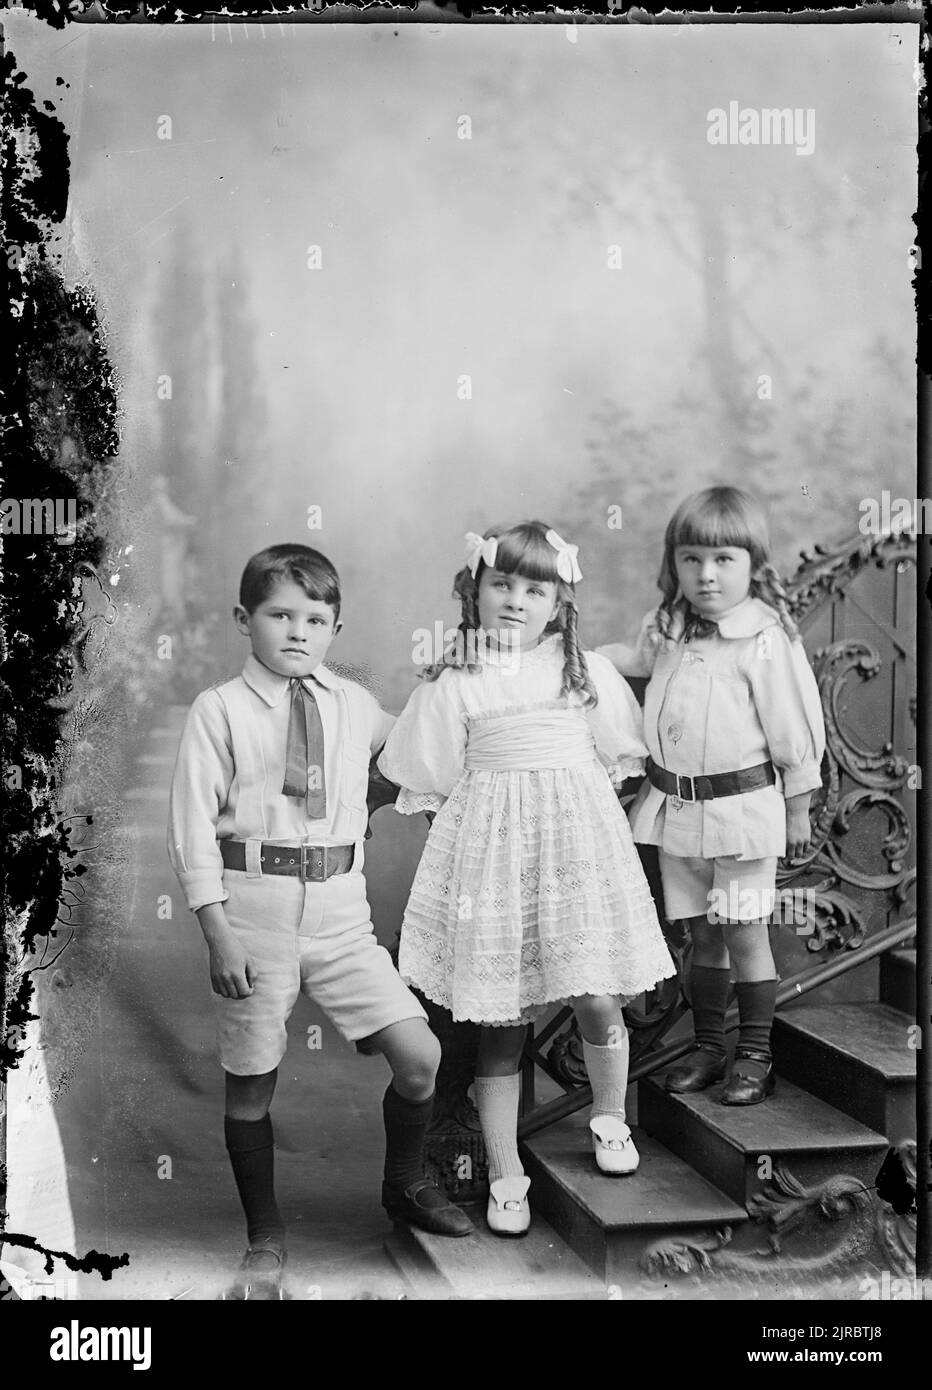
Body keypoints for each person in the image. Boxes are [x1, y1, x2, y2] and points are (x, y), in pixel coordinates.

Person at [167, 543, 473, 1300]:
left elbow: (424, 747)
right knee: (251, 1087)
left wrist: (464, 686)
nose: (297, 631)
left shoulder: (352, 703)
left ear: (335, 627)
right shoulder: (220, 710)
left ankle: (401, 1182)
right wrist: (217, 931)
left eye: (315, 618)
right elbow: (190, 829)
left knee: (419, 1057)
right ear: (246, 620)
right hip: (254, 916)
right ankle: (265, 1239)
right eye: (279, 614)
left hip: (342, 917)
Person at [378, 522, 675, 1238]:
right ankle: (506, 1167)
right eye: (501, 584)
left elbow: (610, 765)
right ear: (474, 592)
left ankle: (609, 1117)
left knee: (598, 995)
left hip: (574, 852)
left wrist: (569, 829)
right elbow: (437, 783)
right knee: (501, 1024)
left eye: (533, 589)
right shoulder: (454, 682)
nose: (515, 600)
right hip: (492, 860)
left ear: (558, 604)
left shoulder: (583, 671)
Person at [598, 486, 825, 1107]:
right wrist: (574, 659)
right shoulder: (668, 625)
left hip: (743, 814)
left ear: (753, 564)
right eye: (692, 558)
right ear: (675, 562)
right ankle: (707, 1045)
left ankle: (754, 1053)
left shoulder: (764, 637)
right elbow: (630, 659)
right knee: (701, 936)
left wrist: (799, 803)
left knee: (745, 932)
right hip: (676, 812)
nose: (706, 574)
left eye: (724, 559)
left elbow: (794, 723)